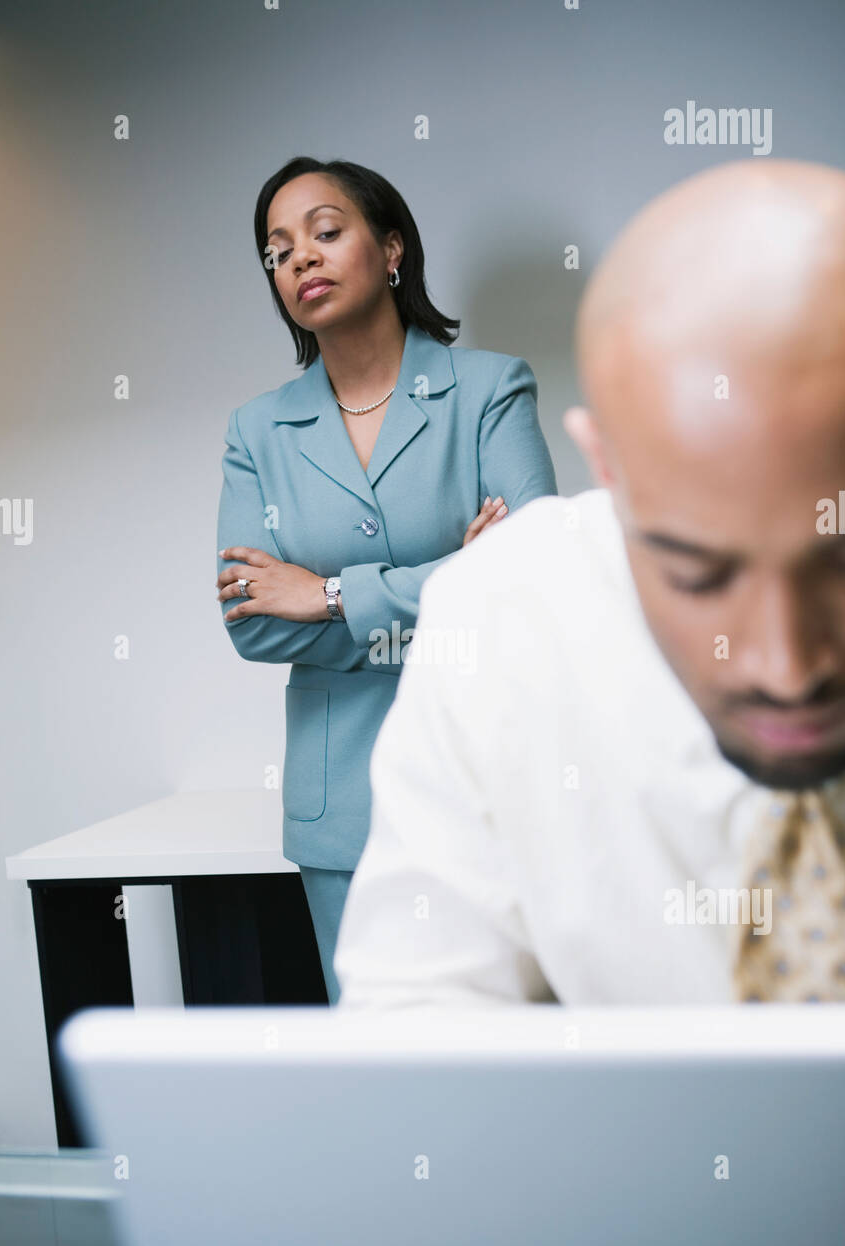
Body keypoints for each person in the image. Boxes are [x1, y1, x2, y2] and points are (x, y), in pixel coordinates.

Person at [334, 158, 845, 1008]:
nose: (786, 666)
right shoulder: (500, 620)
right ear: (606, 467)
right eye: (696, 570)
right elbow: (417, 1025)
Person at [216, 157, 558, 1003]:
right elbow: (252, 622)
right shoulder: (258, 431)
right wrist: (454, 582)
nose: (301, 259)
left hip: (490, 784)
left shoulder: (488, 390)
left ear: (392, 248)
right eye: (278, 251)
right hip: (342, 809)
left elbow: (534, 573)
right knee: (377, 1059)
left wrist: (326, 594)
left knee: (512, 1057)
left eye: (326, 233)